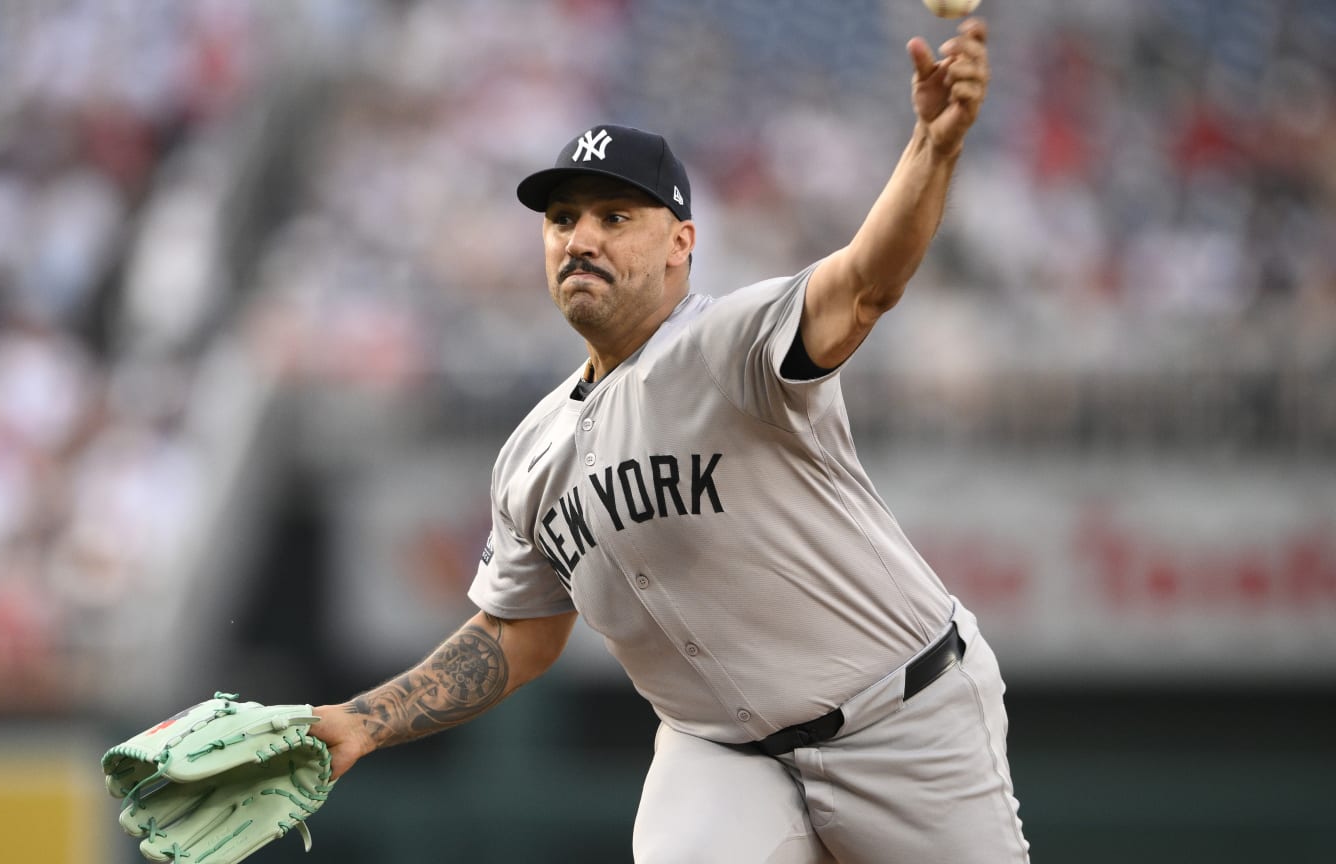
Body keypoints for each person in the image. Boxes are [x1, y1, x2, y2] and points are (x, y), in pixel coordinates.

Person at [311, 18, 1027, 863]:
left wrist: (933, 149)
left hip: (905, 722)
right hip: (720, 754)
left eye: (616, 216)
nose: (580, 238)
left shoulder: (733, 344)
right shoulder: (531, 454)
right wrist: (362, 721)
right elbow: (516, 634)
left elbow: (866, 283)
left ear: (682, 243)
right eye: (563, 219)